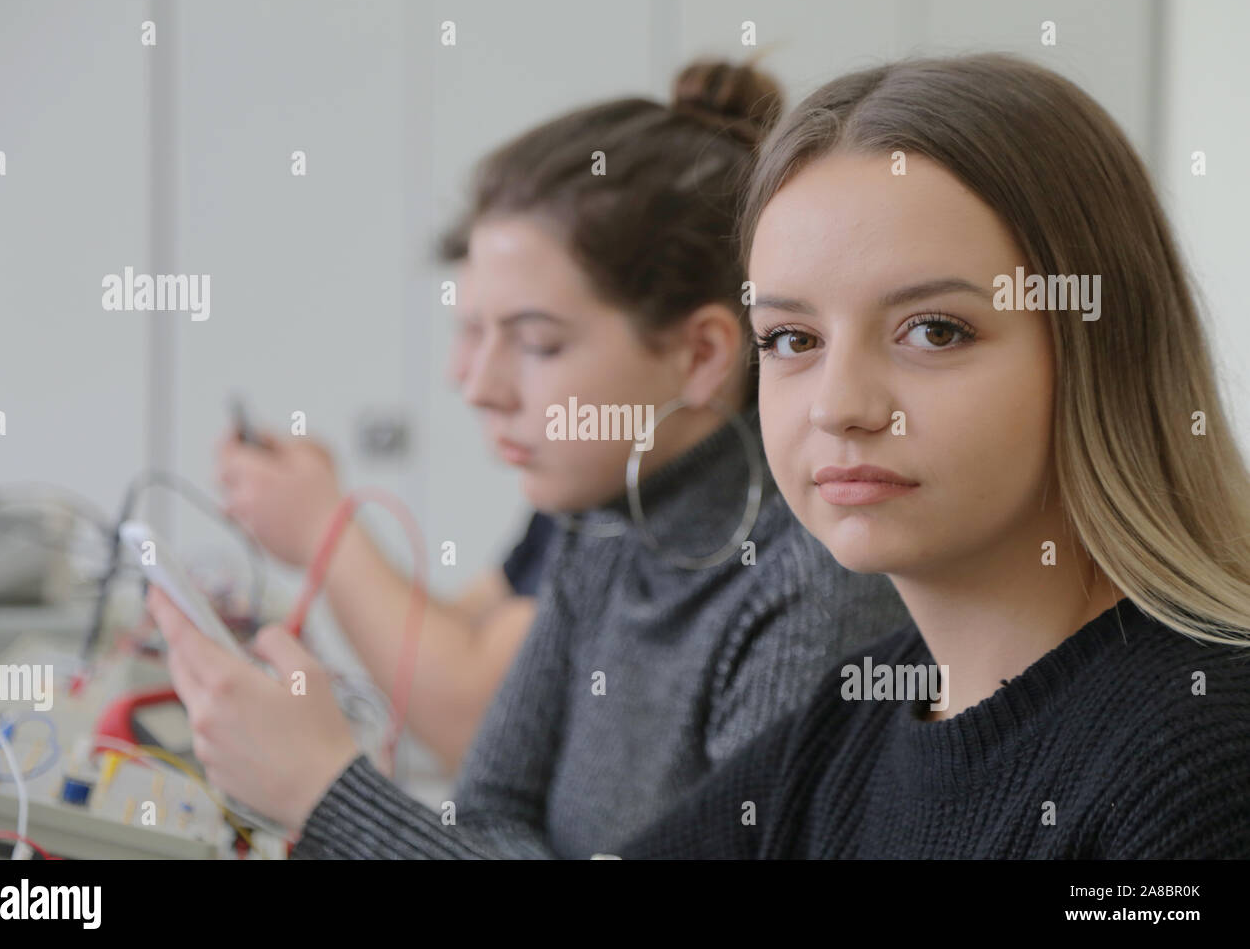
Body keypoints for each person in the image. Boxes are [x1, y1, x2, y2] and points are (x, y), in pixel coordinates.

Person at [146, 58, 910, 859]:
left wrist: (324, 792)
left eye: (537, 341)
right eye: (471, 331)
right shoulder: (606, 521)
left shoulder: (817, 582)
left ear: (701, 354)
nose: (474, 384)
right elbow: (488, 810)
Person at [615, 53, 1250, 859]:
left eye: (935, 330)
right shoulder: (858, 717)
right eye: (792, 339)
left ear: (1102, 350)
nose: (839, 405)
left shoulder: (1206, 761)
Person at [216, 431, 556, 774]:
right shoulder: (557, 511)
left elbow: (481, 722)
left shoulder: (599, 509)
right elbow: (465, 626)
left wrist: (320, 523)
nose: (465, 380)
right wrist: (318, 512)